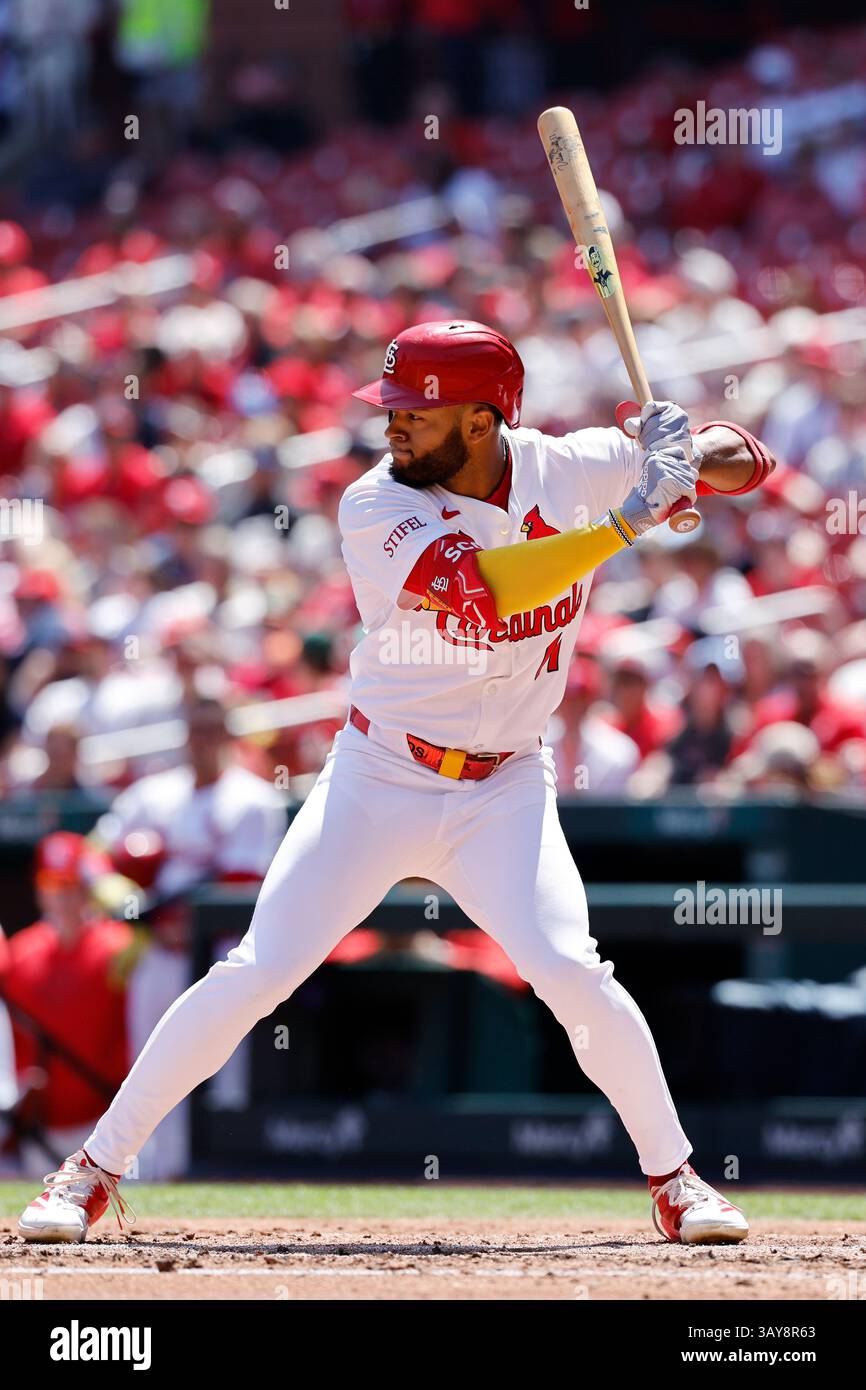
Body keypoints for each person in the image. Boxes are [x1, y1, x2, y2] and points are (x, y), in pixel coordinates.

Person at [18, 320, 775, 1245]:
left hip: (506, 788)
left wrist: (685, 448)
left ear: (484, 420)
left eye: (420, 412)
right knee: (258, 971)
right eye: (397, 408)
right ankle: (90, 1170)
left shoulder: (565, 463)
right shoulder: (376, 506)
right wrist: (632, 515)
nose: (396, 427)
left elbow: (753, 461)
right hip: (381, 774)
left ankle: (677, 1181)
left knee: (572, 969)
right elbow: (492, 595)